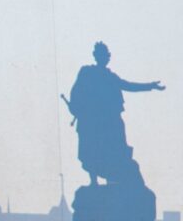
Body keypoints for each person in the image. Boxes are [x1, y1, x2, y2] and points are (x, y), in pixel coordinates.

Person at [64, 41, 164, 186]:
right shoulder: (86, 72)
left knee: (117, 148)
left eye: (107, 55)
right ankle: (94, 181)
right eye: (103, 55)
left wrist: (150, 86)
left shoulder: (110, 76)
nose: (106, 58)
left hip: (108, 121)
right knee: (92, 149)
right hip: (92, 121)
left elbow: (128, 85)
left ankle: (114, 177)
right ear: (97, 56)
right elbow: (76, 92)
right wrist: (77, 107)